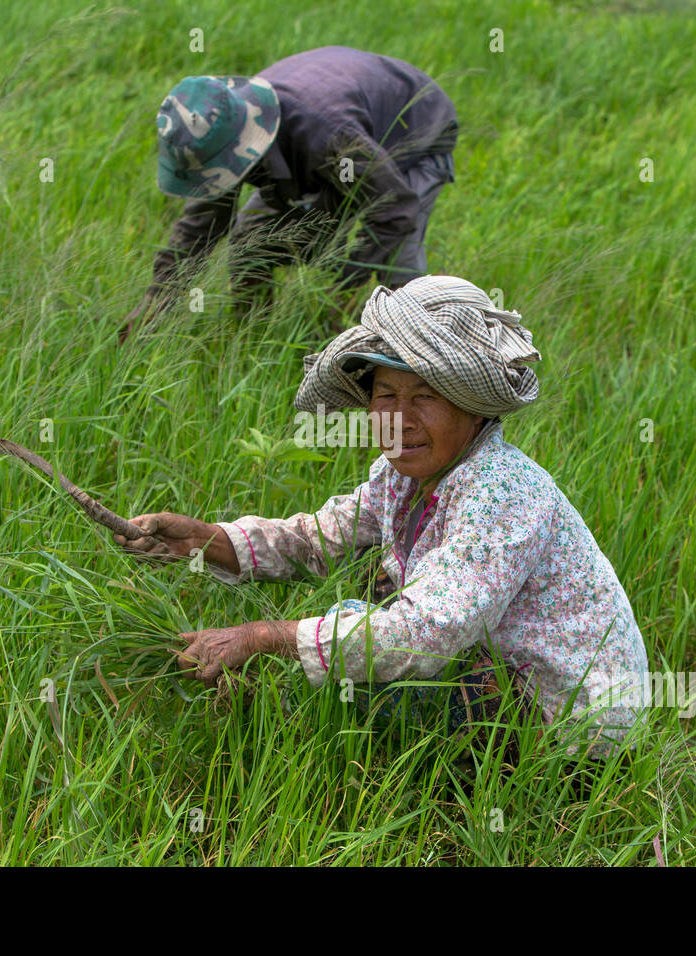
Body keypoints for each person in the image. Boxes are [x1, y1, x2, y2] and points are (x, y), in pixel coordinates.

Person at [115, 275, 650, 756]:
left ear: (475, 406)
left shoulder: (503, 491)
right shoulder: (404, 475)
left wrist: (259, 638)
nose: (400, 418)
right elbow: (319, 539)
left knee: (367, 647)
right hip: (504, 675)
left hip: (573, 728)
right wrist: (204, 540)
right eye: (386, 394)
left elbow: (423, 633)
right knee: (366, 607)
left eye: (427, 397)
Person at [120, 47, 458, 342]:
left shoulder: (330, 135)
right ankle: (254, 337)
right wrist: (155, 303)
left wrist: (342, 289)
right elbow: (201, 227)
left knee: (398, 268)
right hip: (330, 146)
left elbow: (395, 207)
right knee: (251, 243)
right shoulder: (221, 129)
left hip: (413, 130)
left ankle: (420, 355)